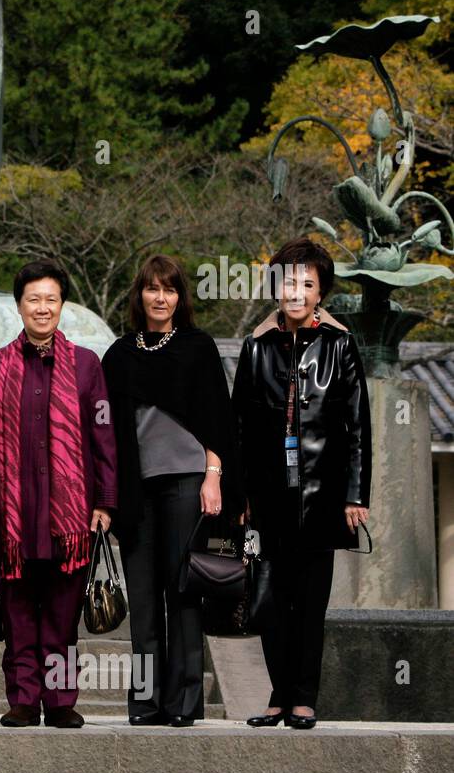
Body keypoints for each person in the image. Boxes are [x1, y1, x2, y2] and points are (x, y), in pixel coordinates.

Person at [233, 237, 371, 730]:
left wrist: (356, 493)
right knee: (268, 596)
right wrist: (241, 496)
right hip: (267, 496)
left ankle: (304, 697)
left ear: (319, 294)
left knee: (311, 600)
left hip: (322, 494)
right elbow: (240, 428)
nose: (297, 290)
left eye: (308, 283)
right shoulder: (256, 347)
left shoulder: (340, 345)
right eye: (289, 281)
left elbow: (357, 424)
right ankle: (278, 692)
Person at [0, 260, 117, 729]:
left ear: (63, 306)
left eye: (51, 299)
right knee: (17, 612)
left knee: (61, 613)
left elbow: (103, 438)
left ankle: (59, 700)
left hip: (70, 515)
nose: (42, 307)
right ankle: (22, 698)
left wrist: (103, 502)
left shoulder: (86, 366)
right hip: (13, 513)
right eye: (33, 299)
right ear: (18, 306)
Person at [101, 255, 239, 728]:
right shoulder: (118, 355)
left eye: (170, 289)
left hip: (187, 484)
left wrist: (214, 474)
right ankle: (145, 703)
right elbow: (107, 433)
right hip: (135, 490)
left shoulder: (198, 348)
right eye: (152, 288)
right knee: (143, 602)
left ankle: (184, 703)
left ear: (181, 297)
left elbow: (221, 418)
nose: (161, 297)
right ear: (139, 295)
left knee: (183, 594)